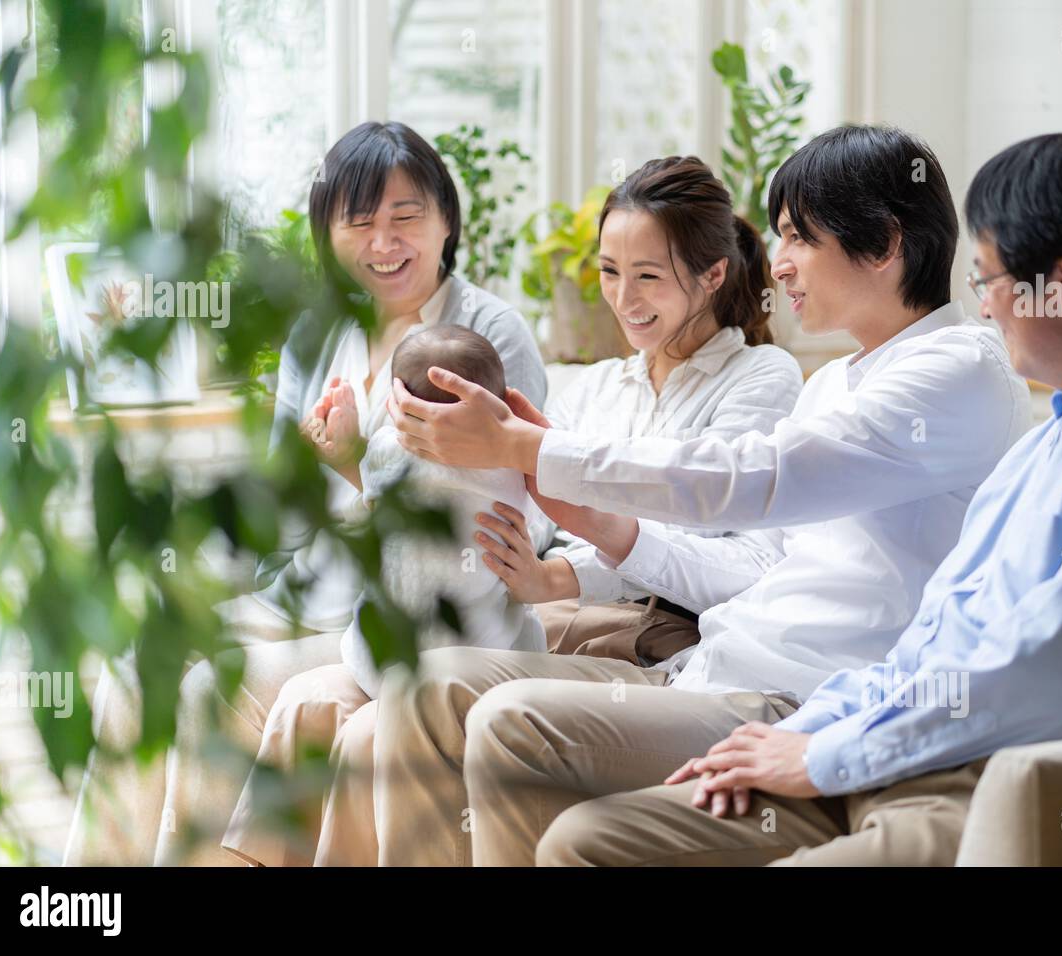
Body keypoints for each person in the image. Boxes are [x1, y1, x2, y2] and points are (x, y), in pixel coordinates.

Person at [528, 133, 1062, 866]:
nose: (983, 309)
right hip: (902, 746)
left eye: (988, 280)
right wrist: (817, 729)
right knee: (586, 841)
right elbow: (931, 641)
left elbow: (1055, 668)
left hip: (1014, 781)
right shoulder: (1052, 440)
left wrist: (825, 753)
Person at [368, 125, 1030, 865]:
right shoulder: (835, 382)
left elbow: (754, 477)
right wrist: (597, 520)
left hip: (799, 699)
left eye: (797, 239)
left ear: (882, 243)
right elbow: (752, 569)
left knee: (511, 722)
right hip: (710, 668)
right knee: (429, 684)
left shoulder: (958, 370)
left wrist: (531, 450)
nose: (776, 266)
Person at [63, 120, 547, 866]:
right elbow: (284, 500)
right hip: (304, 590)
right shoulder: (315, 339)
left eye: (405, 218)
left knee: (208, 696)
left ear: (447, 221)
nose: (383, 243)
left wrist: (356, 465)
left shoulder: (488, 335)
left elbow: (484, 505)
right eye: (359, 223)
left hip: (403, 616)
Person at [307, 155, 804, 865]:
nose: (624, 299)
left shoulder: (761, 378)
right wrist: (425, 462)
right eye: (609, 272)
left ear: (714, 274)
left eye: (649, 276)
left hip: (660, 628)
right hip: (552, 611)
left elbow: (734, 555)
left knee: (396, 713)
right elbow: (534, 512)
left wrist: (565, 576)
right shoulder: (601, 387)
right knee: (360, 729)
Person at [221, 327, 550, 866]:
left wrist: (350, 448)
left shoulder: (389, 454)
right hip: (492, 653)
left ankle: (259, 853)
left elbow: (380, 503)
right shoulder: (513, 464)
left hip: (399, 663)